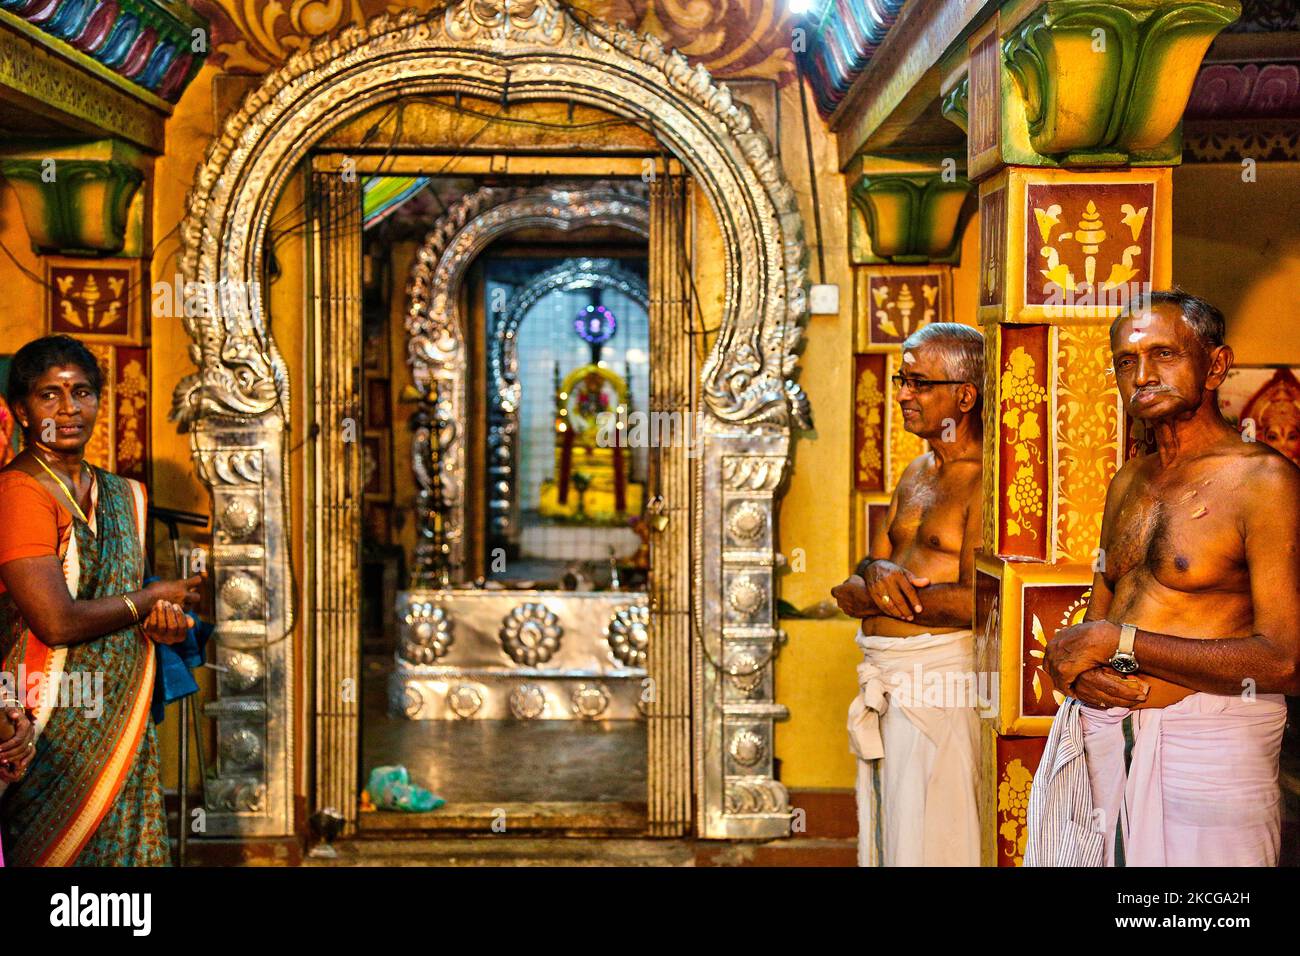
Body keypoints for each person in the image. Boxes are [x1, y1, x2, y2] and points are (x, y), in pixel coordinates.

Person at [1032, 291, 1300, 867]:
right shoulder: (1128, 481)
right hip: (1110, 738)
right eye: (1126, 362)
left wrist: (1120, 645)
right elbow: (1101, 617)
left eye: (1164, 355)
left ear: (1217, 366)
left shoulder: (1264, 481)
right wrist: (1077, 673)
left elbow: (1286, 661)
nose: (1143, 375)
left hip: (1210, 754)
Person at [0, 335, 203, 866]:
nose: (69, 410)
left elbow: (123, 605)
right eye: (50, 395)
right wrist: (147, 598)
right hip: (44, 727)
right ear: (21, 409)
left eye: (82, 392)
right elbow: (56, 622)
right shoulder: (19, 492)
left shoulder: (124, 494)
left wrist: (162, 622)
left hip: (122, 723)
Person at [831, 322, 985, 866]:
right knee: (895, 836)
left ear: (964, 396)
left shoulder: (984, 480)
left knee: (936, 839)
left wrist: (874, 590)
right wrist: (873, 575)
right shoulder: (913, 473)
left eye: (918, 383)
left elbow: (978, 604)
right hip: (889, 680)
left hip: (939, 687)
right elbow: (866, 575)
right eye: (902, 380)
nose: (901, 394)